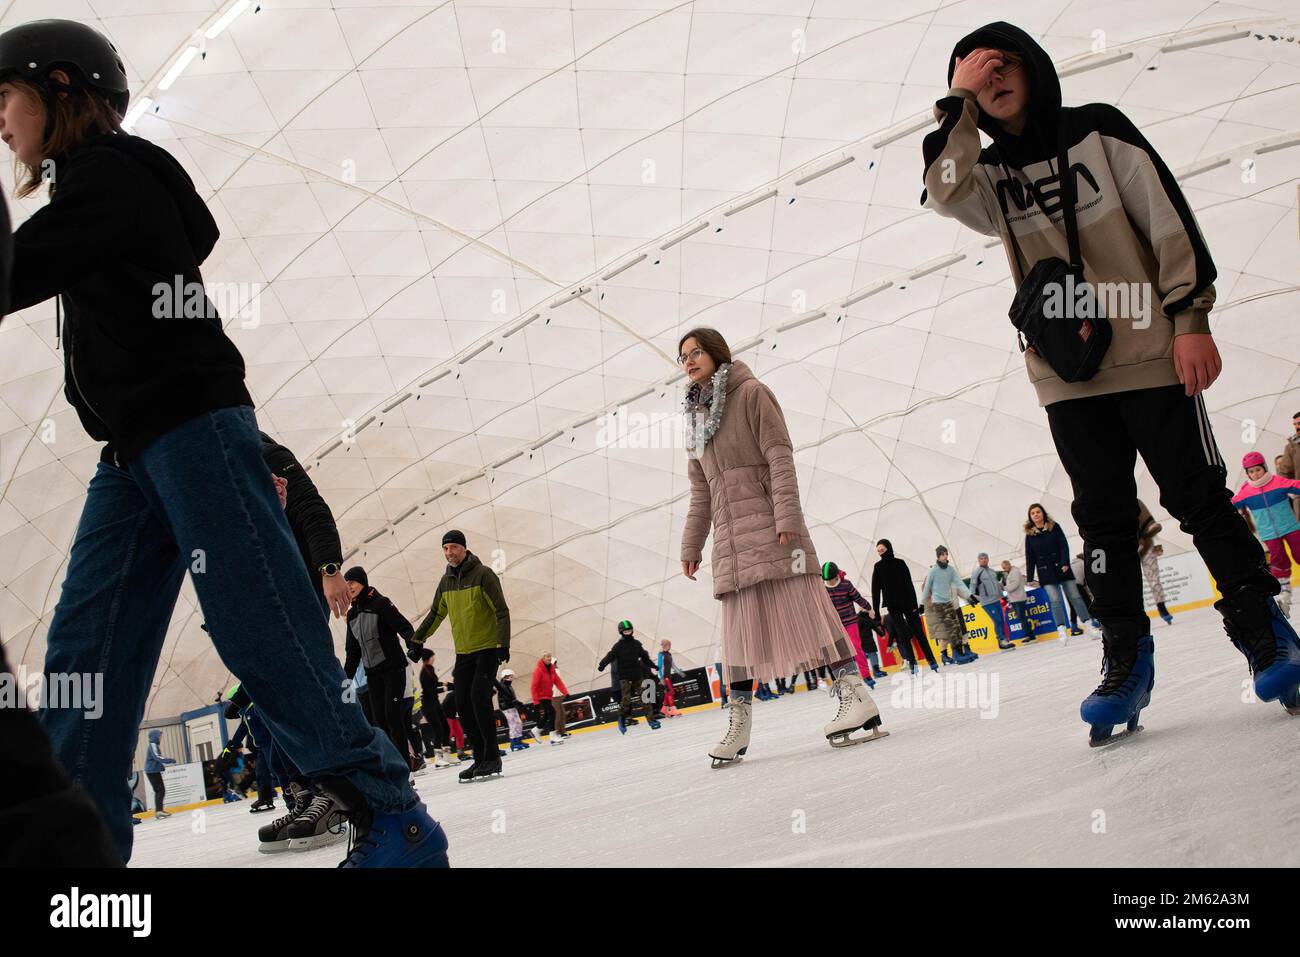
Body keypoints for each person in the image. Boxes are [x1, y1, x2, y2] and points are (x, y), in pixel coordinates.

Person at [1, 19, 444, 865]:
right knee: (85, 651)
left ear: (58, 87)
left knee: (262, 632)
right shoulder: (95, 188)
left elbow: (18, 270)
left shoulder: (113, 176)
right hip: (129, 454)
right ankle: (71, 859)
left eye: (3, 99)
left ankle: (395, 820)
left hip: (191, 429)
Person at [922, 21, 1300, 742]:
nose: (992, 78)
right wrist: (958, 109)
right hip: (1069, 376)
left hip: (1152, 349)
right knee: (1101, 520)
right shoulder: (988, 175)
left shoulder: (1098, 131)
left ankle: (1265, 631)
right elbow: (942, 191)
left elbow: (1167, 218)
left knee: (1197, 496)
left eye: (1003, 65)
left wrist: (1191, 318)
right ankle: (1125, 658)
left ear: (1032, 68)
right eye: (975, 74)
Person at [677, 327, 885, 765]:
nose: (689, 361)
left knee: (811, 617)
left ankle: (856, 695)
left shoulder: (752, 393)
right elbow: (702, 492)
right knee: (736, 640)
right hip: (732, 545)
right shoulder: (695, 420)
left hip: (773, 532)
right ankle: (738, 724)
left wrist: (787, 517)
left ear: (717, 353)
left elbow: (779, 455)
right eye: (683, 357)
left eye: (696, 353)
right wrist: (692, 544)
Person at [410, 530, 512, 784]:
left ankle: (492, 757)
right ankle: (479, 758)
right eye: (445, 548)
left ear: (464, 549)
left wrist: (503, 644)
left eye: (453, 547)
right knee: (462, 704)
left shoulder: (483, 574)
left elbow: (501, 611)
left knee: (479, 697)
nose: (449, 553)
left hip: (487, 648)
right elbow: (435, 614)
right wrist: (416, 641)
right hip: (464, 652)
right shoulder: (446, 582)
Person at [342, 567, 419, 769]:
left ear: (363, 582)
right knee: (379, 723)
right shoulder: (352, 616)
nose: (349, 586)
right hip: (373, 674)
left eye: (353, 582)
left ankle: (405, 767)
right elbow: (352, 652)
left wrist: (414, 645)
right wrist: (345, 680)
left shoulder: (380, 603)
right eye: (346, 583)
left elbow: (403, 626)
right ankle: (391, 767)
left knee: (393, 717)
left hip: (394, 668)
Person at [1233, 452, 1300, 619]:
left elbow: (1296, 485)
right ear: (1247, 473)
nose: (1255, 474)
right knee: (1278, 559)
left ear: (1264, 468)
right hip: (1269, 532)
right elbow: (1232, 505)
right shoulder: (1246, 491)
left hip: (1290, 526)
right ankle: (1285, 590)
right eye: (1251, 471)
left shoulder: (1278, 482)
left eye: (1258, 470)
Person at [1023, 504, 1097, 641]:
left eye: (1038, 512)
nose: (1036, 515)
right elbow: (1030, 556)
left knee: (1075, 597)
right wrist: (1029, 577)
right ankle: (1061, 629)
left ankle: (1088, 625)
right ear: (1030, 517)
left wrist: (1064, 563)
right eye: (1033, 513)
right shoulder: (1030, 536)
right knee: (1055, 600)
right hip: (1045, 572)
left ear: (1043, 513)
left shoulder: (1054, 527)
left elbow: (1063, 545)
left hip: (1062, 569)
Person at [871, 539, 938, 672]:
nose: (881, 553)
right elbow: (875, 591)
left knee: (918, 632)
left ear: (889, 548)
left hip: (907, 603)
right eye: (879, 551)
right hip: (893, 606)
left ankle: (931, 660)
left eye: (882, 550)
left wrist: (915, 604)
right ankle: (912, 663)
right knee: (903, 635)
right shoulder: (878, 567)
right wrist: (877, 612)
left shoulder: (900, 563)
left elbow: (909, 584)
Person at [822, 562, 887, 685]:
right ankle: (846, 677)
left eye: (831, 580)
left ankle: (866, 676)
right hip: (835, 625)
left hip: (850, 622)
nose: (829, 583)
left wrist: (869, 609)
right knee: (839, 652)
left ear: (837, 576)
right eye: (827, 581)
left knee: (856, 648)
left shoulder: (846, 584)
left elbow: (858, 598)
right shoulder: (822, 588)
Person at [598, 621, 663, 734]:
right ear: (621, 632)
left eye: (629, 630)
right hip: (625, 677)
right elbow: (610, 656)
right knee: (626, 700)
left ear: (632, 630)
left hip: (637, 675)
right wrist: (602, 665)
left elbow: (645, 658)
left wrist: (654, 666)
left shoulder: (636, 644)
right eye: (625, 631)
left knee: (645, 699)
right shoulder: (618, 646)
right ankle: (622, 719)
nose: (628, 633)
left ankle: (651, 720)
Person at [920, 547, 978, 664]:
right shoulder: (933, 572)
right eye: (942, 554)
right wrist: (922, 604)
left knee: (959, 628)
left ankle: (963, 651)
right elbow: (926, 588)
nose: (945, 556)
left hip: (952, 604)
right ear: (938, 556)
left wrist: (969, 596)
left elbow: (960, 584)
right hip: (939, 604)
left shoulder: (950, 571)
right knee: (950, 630)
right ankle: (954, 654)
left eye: (946, 554)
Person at [971, 552, 1016, 650]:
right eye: (981, 558)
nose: (984, 560)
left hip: (996, 599)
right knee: (997, 620)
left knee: (1001, 620)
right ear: (978, 561)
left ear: (988, 559)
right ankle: (1002, 639)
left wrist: (1002, 596)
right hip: (987, 602)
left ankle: (1004, 641)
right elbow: (972, 588)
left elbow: (996, 585)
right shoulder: (976, 573)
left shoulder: (992, 571)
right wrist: (977, 598)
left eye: (985, 558)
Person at [418, 650, 454, 766]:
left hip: (435, 702)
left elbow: (434, 683)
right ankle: (438, 758)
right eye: (433, 656)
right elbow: (429, 690)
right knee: (438, 729)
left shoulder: (430, 669)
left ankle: (447, 755)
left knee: (445, 727)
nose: (434, 658)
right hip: (428, 704)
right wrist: (446, 688)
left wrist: (447, 684)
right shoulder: (424, 672)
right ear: (429, 657)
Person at [530, 653, 568, 744]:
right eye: (547, 657)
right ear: (542, 658)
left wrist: (565, 692)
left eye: (550, 657)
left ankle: (536, 730)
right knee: (552, 712)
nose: (549, 658)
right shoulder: (538, 670)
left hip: (548, 695)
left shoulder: (551, 669)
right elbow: (533, 687)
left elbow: (558, 681)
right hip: (540, 696)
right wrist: (536, 702)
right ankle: (553, 735)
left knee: (548, 714)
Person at [494, 668, 531, 751]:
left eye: (512, 677)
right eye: (510, 677)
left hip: (511, 707)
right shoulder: (502, 686)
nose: (512, 678)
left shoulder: (508, 685)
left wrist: (516, 703)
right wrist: (516, 702)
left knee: (518, 723)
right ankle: (513, 742)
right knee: (513, 724)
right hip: (506, 708)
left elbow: (511, 697)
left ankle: (518, 740)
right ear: (505, 677)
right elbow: (507, 698)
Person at [143, 729, 176, 820]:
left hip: (153, 771)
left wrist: (161, 767)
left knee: (160, 790)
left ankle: (159, 810)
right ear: (155, 736)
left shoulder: (155, 745)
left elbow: (154, 759)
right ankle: (159, 811)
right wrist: (169, 760)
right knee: (160, 790)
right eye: (159, 736)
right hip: (152, 771)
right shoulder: (153, 745)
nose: (160, 738)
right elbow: (157, 757)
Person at [1000, 559, 1036, 641]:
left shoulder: (1015, 572)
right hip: (1014, 599)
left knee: (1022, 617)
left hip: (1019, 598)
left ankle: (1030, 635)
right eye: (1003, 568)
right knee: (1021, 618)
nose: (1004, 570)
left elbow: (1014, 585)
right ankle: (1029, 635)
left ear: (1009, 565)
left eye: (1005, 568)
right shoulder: (1009, 573)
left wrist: (1004, 588)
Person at [658, 640, 685, 717]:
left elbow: (673, 665)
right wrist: (661, 678)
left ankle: (664, 710)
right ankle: (672, 709)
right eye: (669, 645)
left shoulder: (669, 654)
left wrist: (680, 672)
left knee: (668, 692)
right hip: (664, 676)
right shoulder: (661, 654)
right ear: (665, 645)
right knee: (671, 692)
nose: (670, 646)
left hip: (668, 676)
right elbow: (659, 667)